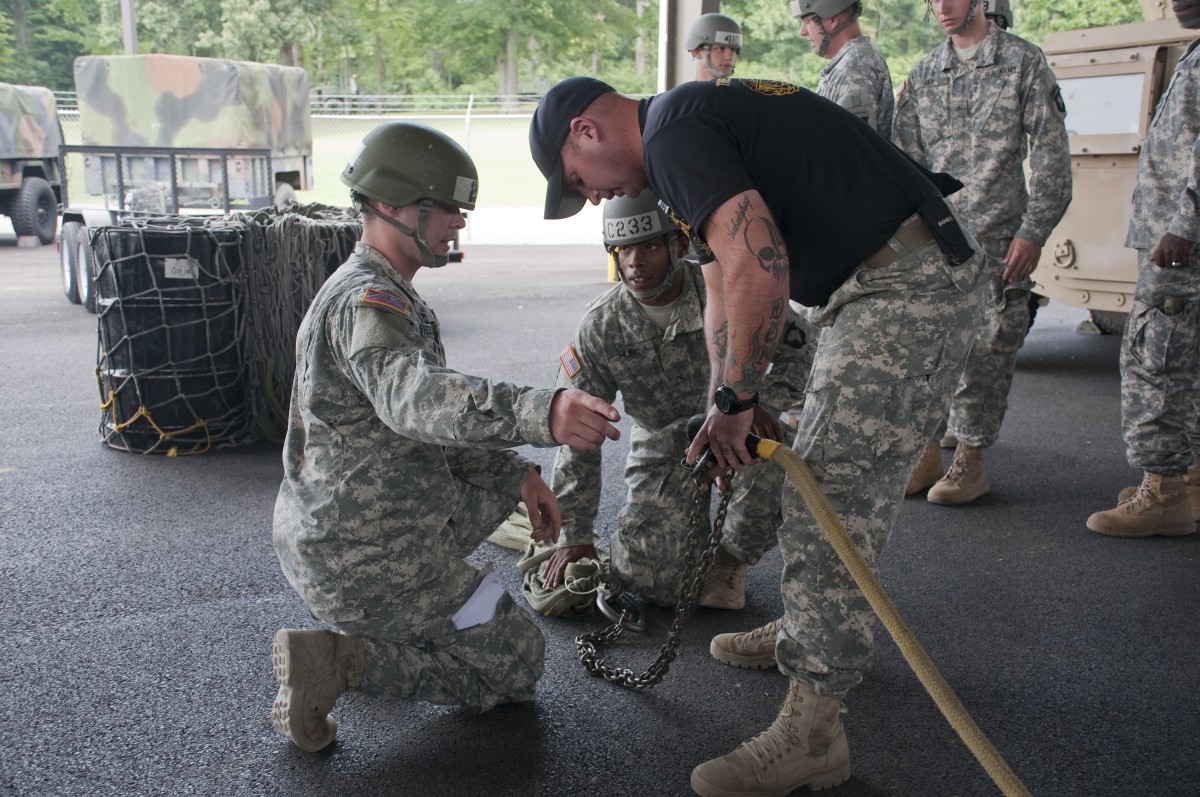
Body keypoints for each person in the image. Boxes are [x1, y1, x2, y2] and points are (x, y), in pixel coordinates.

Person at [530, 75, 986, 796]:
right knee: (819, 491)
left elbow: (759, 265)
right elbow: (720, 285)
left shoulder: (672, 135)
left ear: (585, 132)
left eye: (576, 180)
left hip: (906, 289)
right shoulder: (683, 133)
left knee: (830, 502)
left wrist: (740, 399)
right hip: (879, 286)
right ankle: (810, 625)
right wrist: (721, 404)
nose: (589, 196)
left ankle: (813, 736)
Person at [270, 121, 622, 753]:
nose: (459, 221)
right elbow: (414, 399)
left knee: (481, 575)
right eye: (447, 206)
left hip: (349, 542)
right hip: (371, 559)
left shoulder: (377, 292)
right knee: (518, 661)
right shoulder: (369, 302)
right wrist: (544, 412)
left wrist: (518, 475)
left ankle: (383, 632)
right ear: (392, 204)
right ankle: (343, 663)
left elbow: (423, 430)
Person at [537, 190, 815, 609]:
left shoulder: (726, 291)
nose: (635, 262)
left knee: (781, 462)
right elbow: (579, 431)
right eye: (624, 249)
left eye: (649, 246)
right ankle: (678, 544)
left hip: (737, 426)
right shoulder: (601, 327)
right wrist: (573, 534)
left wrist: (760, 403)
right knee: (653, 582)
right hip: (664, 444)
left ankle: (730, 560)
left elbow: (802, 350)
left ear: (680, 245)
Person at [893, 0, 1072, 504]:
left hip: (998, 237)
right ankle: (927, 451)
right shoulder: (925, 73)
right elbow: (907, 163)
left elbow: (1053, 156)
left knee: (987, 350)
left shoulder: (1022, 62)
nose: (941, 7)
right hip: (938, 239)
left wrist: (1033, 232)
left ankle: (969, 460)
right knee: (928, 347)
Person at [1086, 0, 1200, 538]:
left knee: (1159, 360)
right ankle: (1188, 479)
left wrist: (1185, 223)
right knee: (1186, 359)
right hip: (1174, 236)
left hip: (1180, 244)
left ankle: (1164, 491)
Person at [792, 0, 895, 138]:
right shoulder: (851, 63)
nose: (803, 31)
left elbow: (850, 146)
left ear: (832, 18)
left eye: (807, 21)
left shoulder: (854, 71)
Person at [686, 12, 742, 81]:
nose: (729, 57)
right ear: (696, 52)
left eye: (734, 50)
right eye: (721, 48)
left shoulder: (740, 87)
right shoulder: (684, 89)